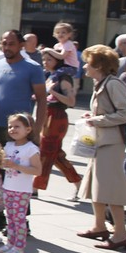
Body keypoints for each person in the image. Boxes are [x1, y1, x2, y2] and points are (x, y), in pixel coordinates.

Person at [76, 45, 126, 251]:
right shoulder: (101, 83)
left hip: (113, 144)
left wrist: (97, 120)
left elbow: (125, 113)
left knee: (111, 190)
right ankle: (99, 226)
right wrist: (93, 118)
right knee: (95, 187)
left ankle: (120, 234)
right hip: (102, 142)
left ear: (98, 65)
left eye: (88, 62)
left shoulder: (112, 84)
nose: (84, 66)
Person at [32, 47, 81, 197]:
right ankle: (79, 184)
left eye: (49, 59)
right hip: (47, 115)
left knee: (46, 152)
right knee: (57, 155)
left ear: (58, 61)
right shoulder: (50, 75)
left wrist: (52, 92)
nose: (45, 62)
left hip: (57, 117)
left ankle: (35, 187)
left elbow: (71, 101)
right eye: (44, 59)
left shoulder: (63, 78)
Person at [0, 113, 41, 253]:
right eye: (10, 126)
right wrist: (1, 164)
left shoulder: (31, 149)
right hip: (8, 187)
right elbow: (3, 164)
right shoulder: (9, 145)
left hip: (22, 191)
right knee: (10, 218)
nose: (12, 129)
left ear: (28, 129)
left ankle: (19, 250)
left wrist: (17, 166)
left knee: (19, 221)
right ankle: (10, 245)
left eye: (17, 126)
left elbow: (37, 170)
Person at [0, 30, 46, 145]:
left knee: (15, 162)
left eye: (11, 44)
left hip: (19, 129)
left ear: (21, 45)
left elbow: (42, 100)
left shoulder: (33, 68)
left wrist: (37, 129)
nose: (7, 47)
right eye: (4, 44)